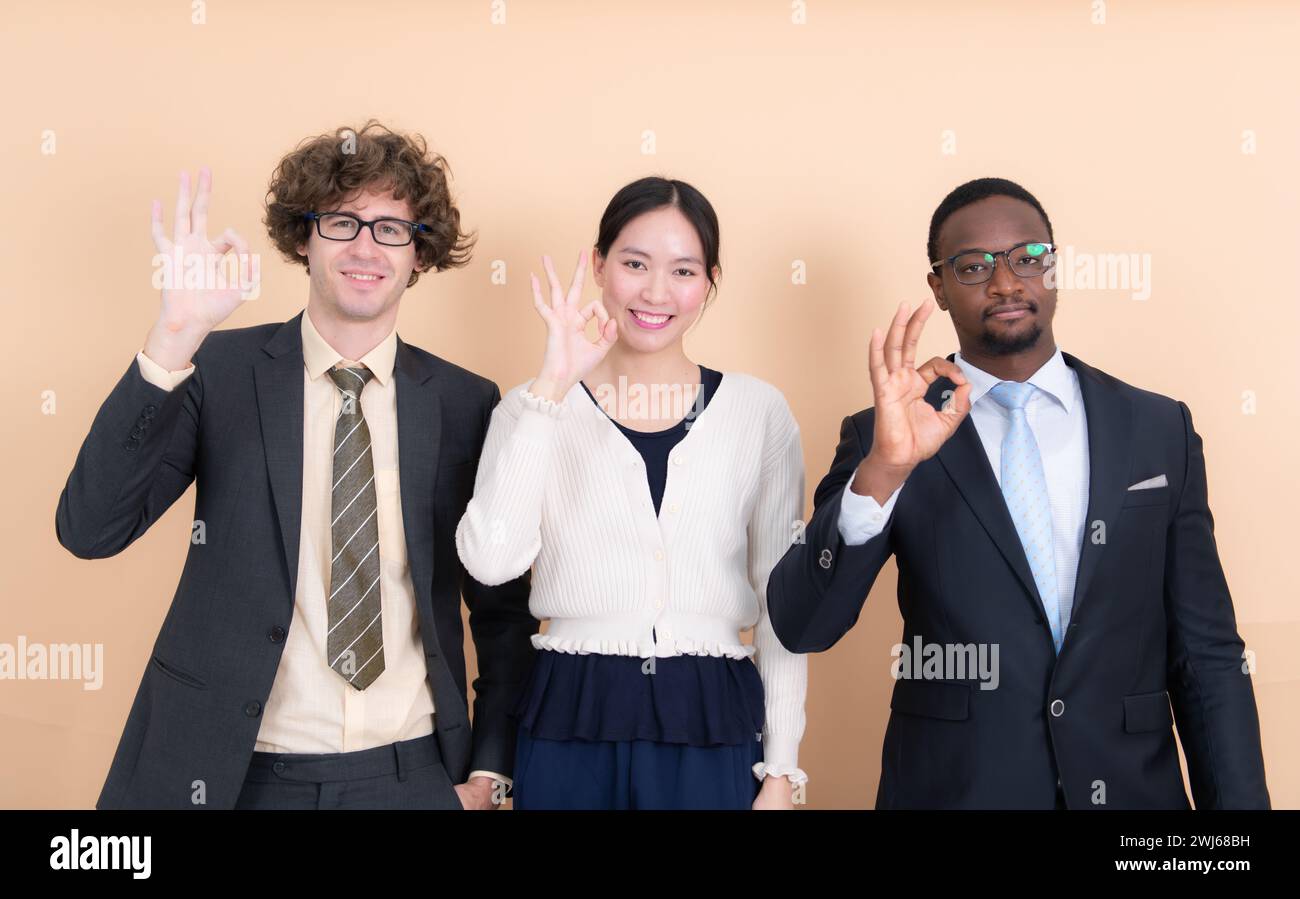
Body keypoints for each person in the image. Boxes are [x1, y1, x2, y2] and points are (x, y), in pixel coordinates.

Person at [55, 121, 536, 809]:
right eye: (343, 221)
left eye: (392, 229)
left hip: (411, 778)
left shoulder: (464, 401)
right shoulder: (216, 371)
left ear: (419, 254)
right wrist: (172, 340)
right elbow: (89, 527)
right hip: (234, 777)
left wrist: (489, 776)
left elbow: (501, 614)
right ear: (303, 237)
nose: (366, 246)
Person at [767, 177, 1269, 810]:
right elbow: (800, 625)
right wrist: (886, 470)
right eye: (973, 266)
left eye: (1029, 258)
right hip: (958, 792)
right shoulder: (885, 434)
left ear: (1054, 269)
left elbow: (1208, 655)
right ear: (939, 288)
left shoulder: (1156, 429)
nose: (1006, 283)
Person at [456, 177, 808, 809]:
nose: (655, 292)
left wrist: (781, 769)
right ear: (598, 265)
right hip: (570, 708)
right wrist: (554, 388)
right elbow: (490, 561)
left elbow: (780, 599)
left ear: (709, 282)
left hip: (711, 713)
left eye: (683, 270)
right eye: (634, 263)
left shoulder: (759, 413)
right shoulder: (529, 407)